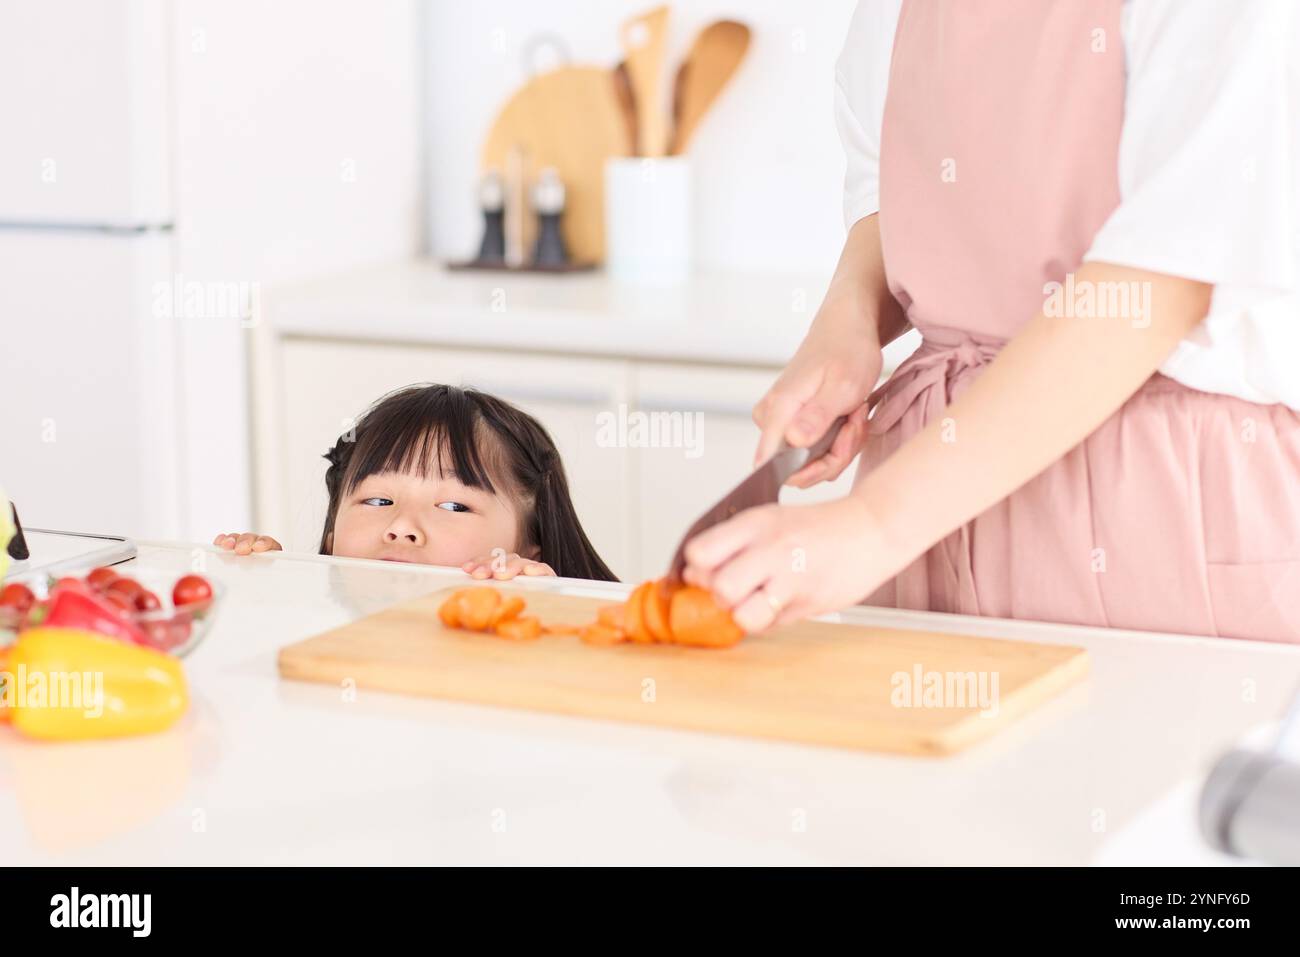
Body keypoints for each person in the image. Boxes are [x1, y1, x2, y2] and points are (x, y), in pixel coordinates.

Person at [685, 0, 1300, 642]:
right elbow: (888, 193)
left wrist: (874, 525)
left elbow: (1158, 283)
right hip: (933, 493)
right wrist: (849, 322)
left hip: (1162, 507)